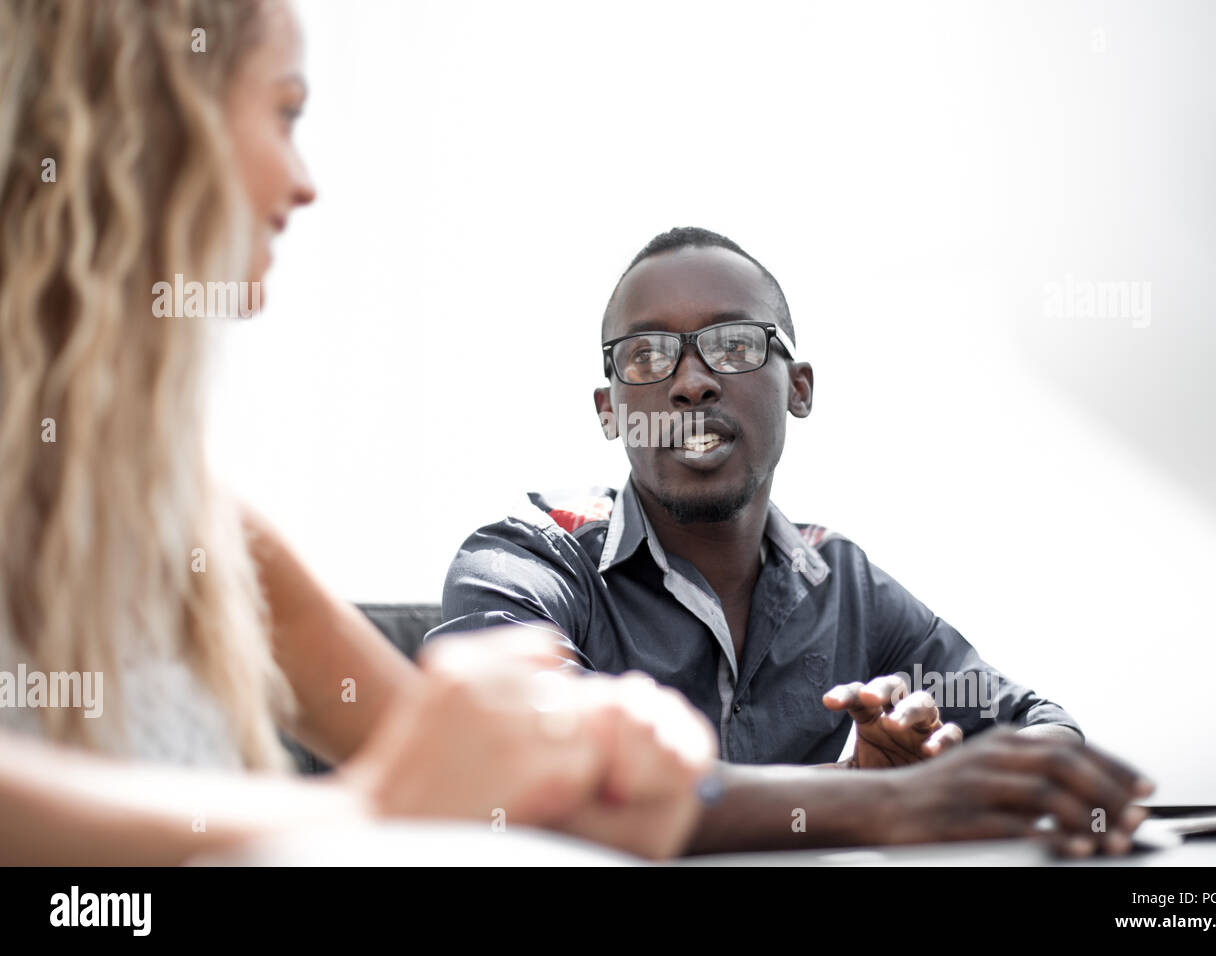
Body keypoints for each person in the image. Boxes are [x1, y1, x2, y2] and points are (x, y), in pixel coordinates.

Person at [0, 0, 712, 865]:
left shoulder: (188, 520)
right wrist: (366, 808)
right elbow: (401, 790)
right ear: (148, 115)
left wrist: (603, 760)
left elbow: (462, 771)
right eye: (285, 113)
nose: (305, 183)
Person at [431, 226, 1155, 854]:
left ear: (799, 388)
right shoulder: (524, 562)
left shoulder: (840, 584)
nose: (690, 384)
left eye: (734, 345)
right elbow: (532, 769)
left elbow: (1039, 729)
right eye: (647, 356)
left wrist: (984, 775)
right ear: (610, 411)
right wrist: (873, 801)